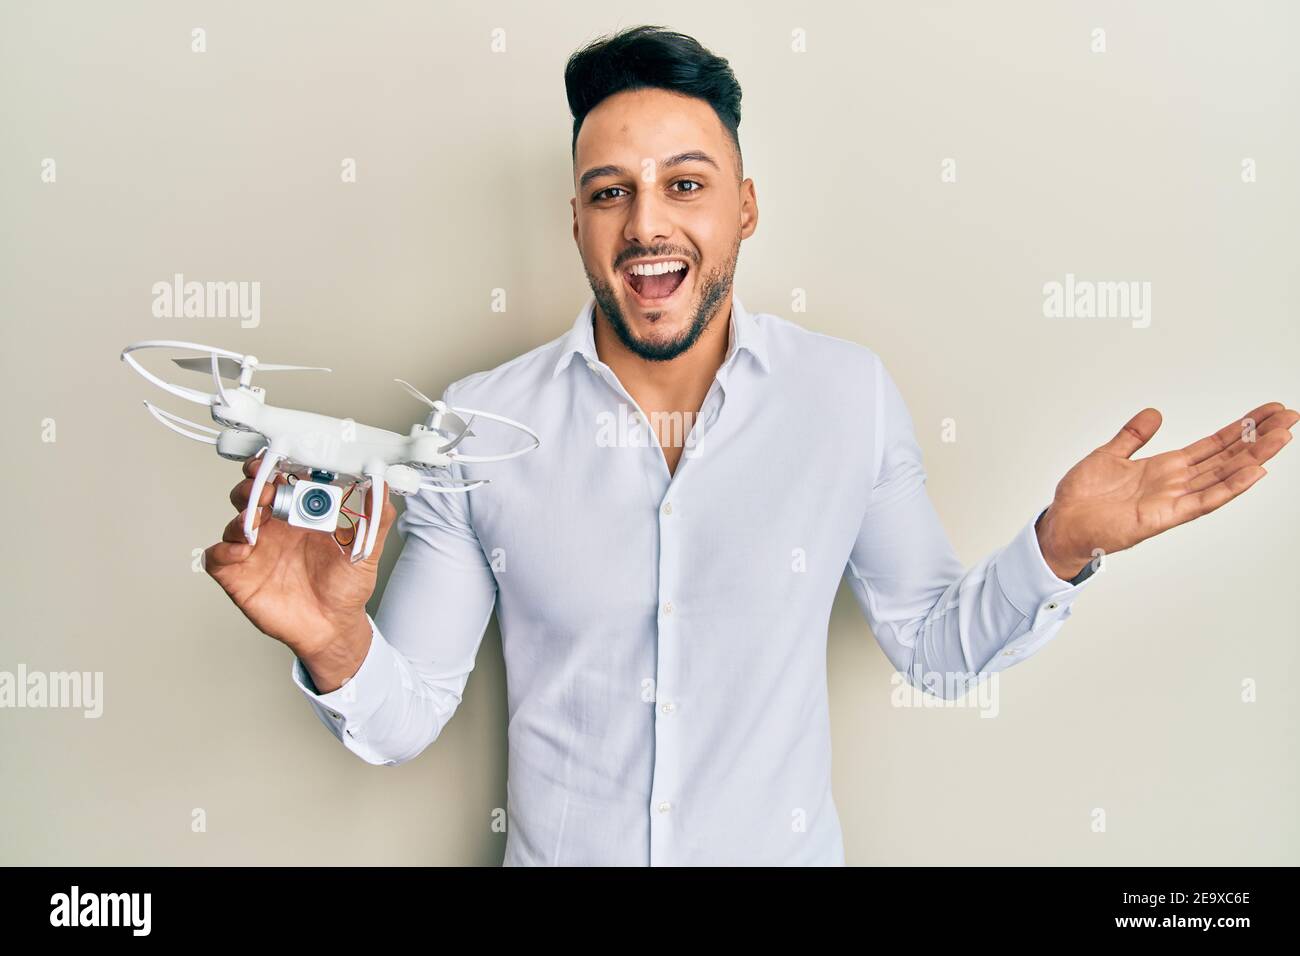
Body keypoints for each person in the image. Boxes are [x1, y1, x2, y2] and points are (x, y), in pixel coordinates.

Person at [201, 25, 1296, 865]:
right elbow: (399, 720)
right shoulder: (474, 429)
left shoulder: (844, 396)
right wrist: (329, 637)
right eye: (608, 193)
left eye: (685, 184)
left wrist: (1058, 545)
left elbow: (933, 646)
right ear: (574, 221)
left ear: (745, 208)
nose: (646, 225)